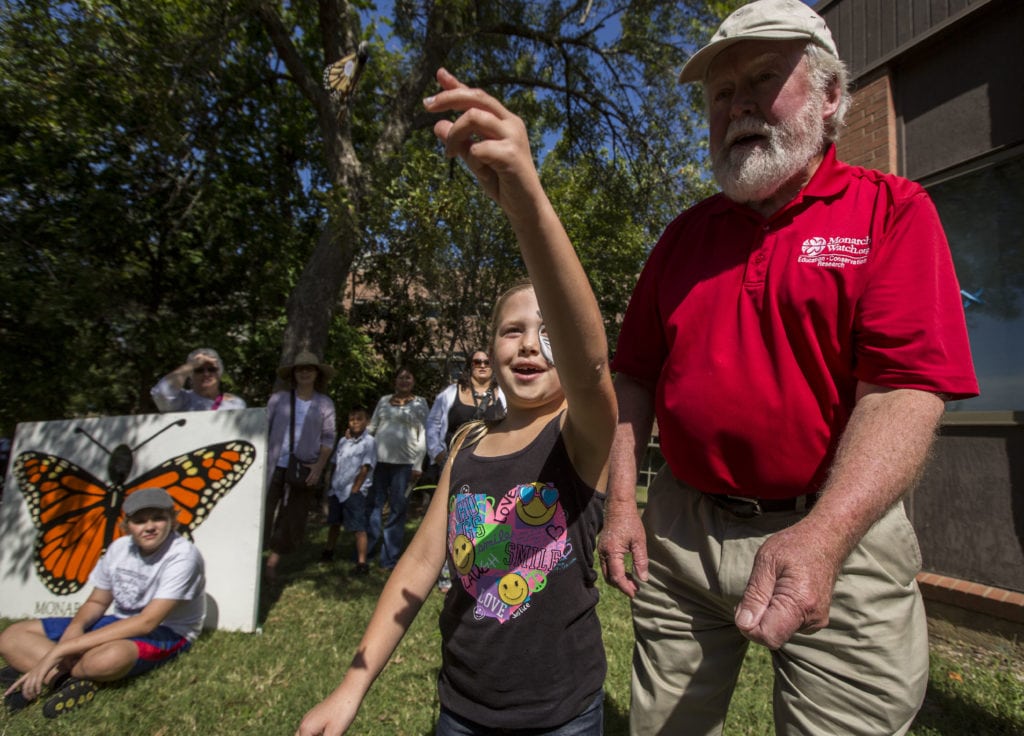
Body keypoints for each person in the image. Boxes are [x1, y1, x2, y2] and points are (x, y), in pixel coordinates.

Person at [597, 1, 980, 734]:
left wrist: (825, 536)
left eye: (764, 78)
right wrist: (622, 505)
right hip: (684, 531)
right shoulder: (682, 239)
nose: (736, 104)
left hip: (840, 530)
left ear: (832, 95)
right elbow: (632, 378)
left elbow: (904, 391)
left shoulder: (891, 213)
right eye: (719, 93)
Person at [295, 67, 617, 736]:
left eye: (547, 331)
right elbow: (417, 567)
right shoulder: (468, 444)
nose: (531, 346)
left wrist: (525, 197)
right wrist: (349, 689)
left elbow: (588, 365)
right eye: (512, 331)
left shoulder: (584, 435)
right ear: (489, 348)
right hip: (462, 712)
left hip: (563, 716)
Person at [1, 487, 205, 718]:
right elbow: (97, 602)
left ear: (173, 521)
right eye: (139, 521)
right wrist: (75, 629)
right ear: (126, 525)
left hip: (167, 632)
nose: (149, 526)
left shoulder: (183, 556)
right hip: (119, 620)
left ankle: (38, 665)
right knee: (11, 636)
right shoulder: (119, 548)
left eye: (158, 518)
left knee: (108, 659)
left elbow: (147, 622)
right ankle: (61, 679)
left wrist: (64, 648)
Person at [264, 350, 337, 580]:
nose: (304, 372)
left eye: (309, 369)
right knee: (264, 512)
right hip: (273, 465)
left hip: (304, 467)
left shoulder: (324, 404)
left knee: (292, 516)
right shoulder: (278, 399)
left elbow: (328, 438)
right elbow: (263, 428)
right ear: (294, 374)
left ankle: (272, 564)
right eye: (300, 369)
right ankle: (254, 557)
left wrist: (318, 466)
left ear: (317, 374)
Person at [363, 366, 429, 570]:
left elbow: (424, 434)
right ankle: (368, 550)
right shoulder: (384, 401)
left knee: (397, 510)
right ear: (395, 381)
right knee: (374, 506)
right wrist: (356, 438)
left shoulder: (420, 403)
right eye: (400, 377)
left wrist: (418, 465)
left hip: (405, 464)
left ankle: (389, 558)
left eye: (408, 377)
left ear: (413, 382)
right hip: (379, 462)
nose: (404, 381)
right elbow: (372, 428)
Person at [426, 350, 507, 469]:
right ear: (470, 365)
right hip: (453, 463)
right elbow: (432, 423)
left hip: (491, 463)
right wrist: (437, 453)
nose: (482, 366)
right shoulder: (451, 392)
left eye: (487, 362)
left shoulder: (504, 394)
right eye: (477, 362)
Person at [320, 406, 376, 575]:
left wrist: (355, 488)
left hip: (354, 491)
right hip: (337, 489)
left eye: (359, 419)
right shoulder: (343, 441)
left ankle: (361, 563)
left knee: (359, 527)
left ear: (366, 422)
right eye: (352, 420)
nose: (355, 423)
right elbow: (336, 463)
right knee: (334, 524)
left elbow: (366, 467)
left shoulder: (369, 442)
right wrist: (331, 485)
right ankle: (328, 552)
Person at [150, 347, 247, 412]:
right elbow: (161, 393)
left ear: (219, 373)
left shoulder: (237, 403)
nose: (206, 374)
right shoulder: (183, 399)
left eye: (212, 369)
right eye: (199, 370)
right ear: (191, 375)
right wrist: (192, 365)